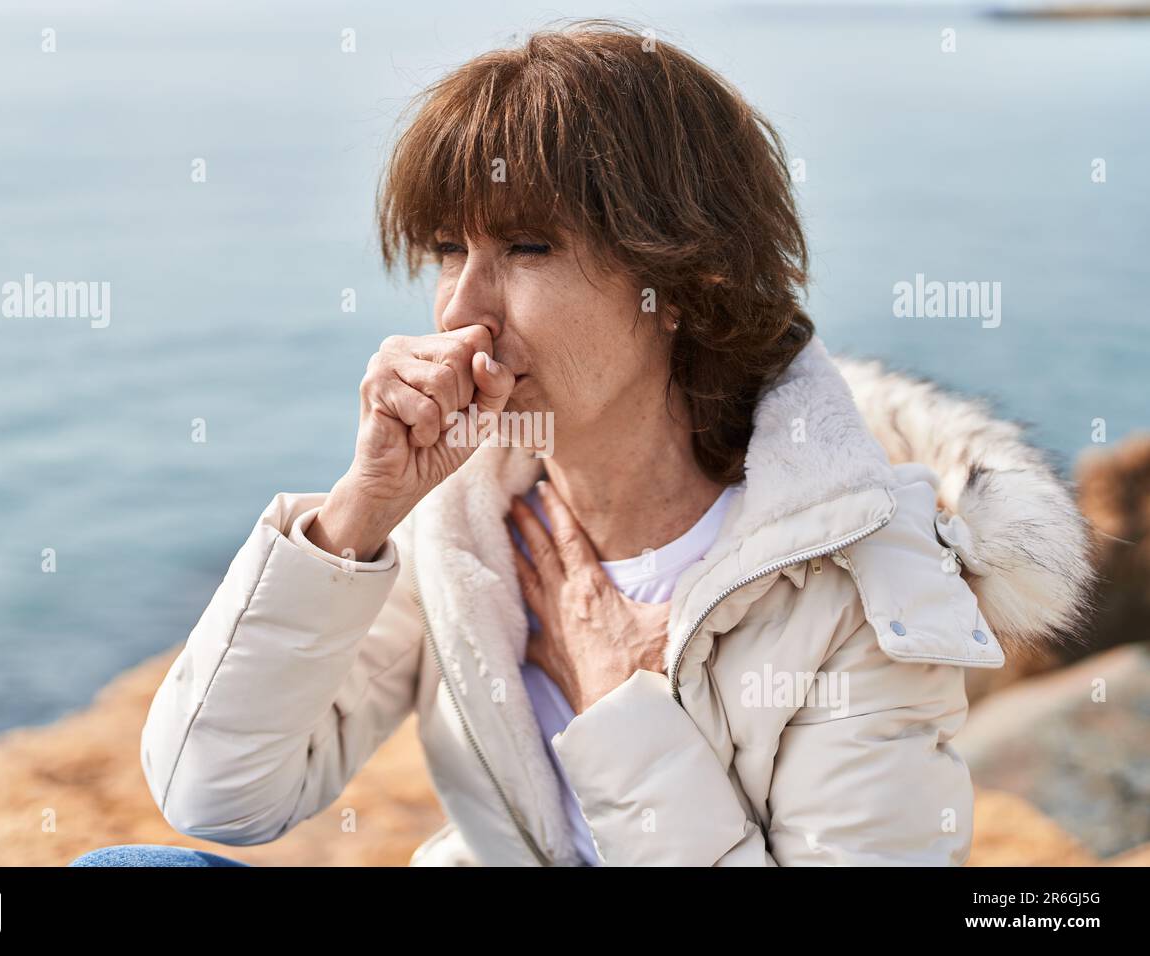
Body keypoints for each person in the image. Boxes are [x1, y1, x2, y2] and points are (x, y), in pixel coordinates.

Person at [70, 19, 1094, 868]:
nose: (462, 310)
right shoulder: (462, 514)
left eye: (527, 246)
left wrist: (617, 707)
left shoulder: (856, 581)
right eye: (444, 250)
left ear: (686, 285)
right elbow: (217, 791)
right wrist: (354, 518)